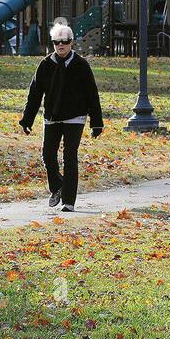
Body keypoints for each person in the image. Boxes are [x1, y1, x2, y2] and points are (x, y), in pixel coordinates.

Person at [19, 19, 103, 211]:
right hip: (52, 116)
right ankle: (57, 186)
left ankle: (68, 201)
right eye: (57, 42)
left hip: (75, 116)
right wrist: (27, 119)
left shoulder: (81, 65)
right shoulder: (45, 64)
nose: (61, 45)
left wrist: (96, 123)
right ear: (53, 43)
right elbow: (35, 94)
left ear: (72, 42)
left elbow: (92, 94)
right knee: (48, 155)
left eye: (64, 41)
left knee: (69, 156)